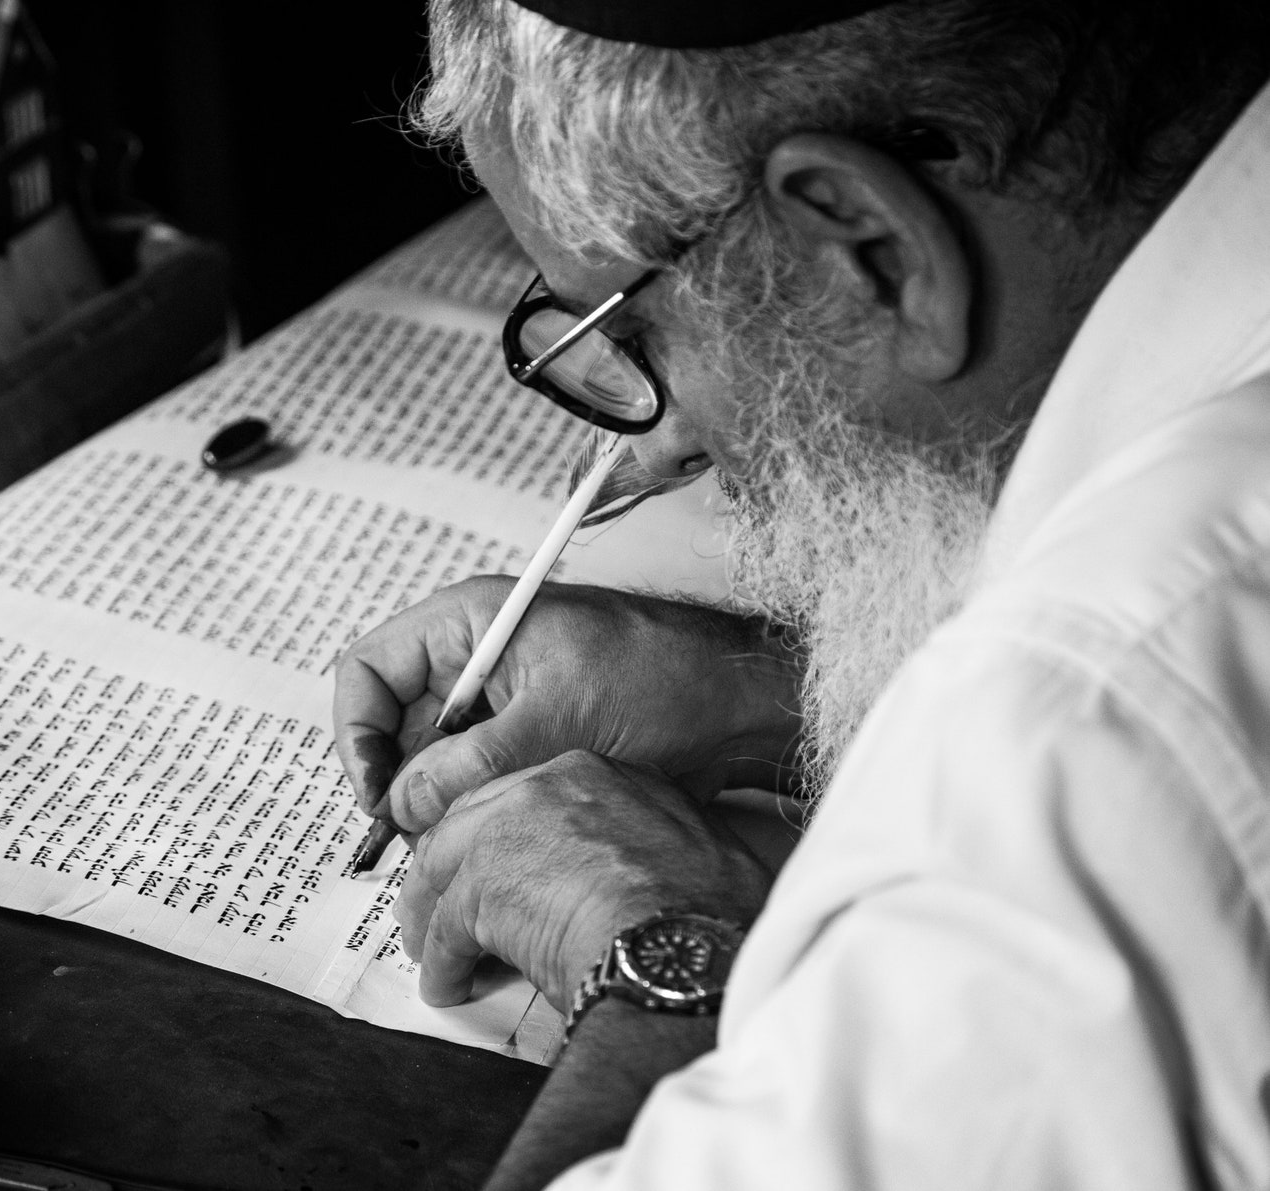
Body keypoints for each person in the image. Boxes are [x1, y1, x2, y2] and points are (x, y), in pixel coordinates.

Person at [331, 1, 1270, 1186]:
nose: (653, 449)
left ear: (869, 244)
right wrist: (758, 688)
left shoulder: (1088, 731)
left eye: (645, 336)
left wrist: (660, 950)